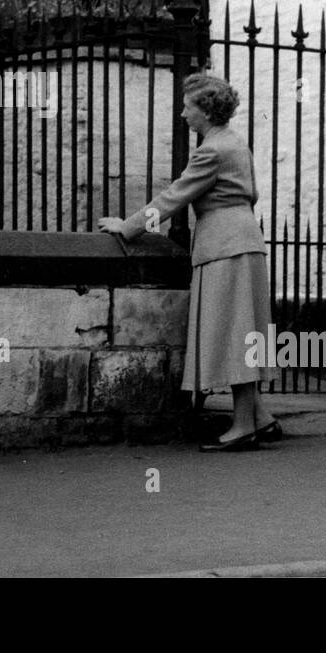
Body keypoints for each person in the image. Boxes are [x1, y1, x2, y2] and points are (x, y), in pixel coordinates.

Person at [98, 72, 280, 451]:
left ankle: (243, 425)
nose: (183, 114)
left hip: (224, 247)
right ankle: (260, 417)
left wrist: (127, 227)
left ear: (206, 111)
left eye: (188, 107)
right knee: (244, 330)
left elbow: (172, 198)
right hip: (245, 241)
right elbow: (252, 194)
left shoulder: (212, 150)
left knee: (233, 332)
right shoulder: (235, 144)